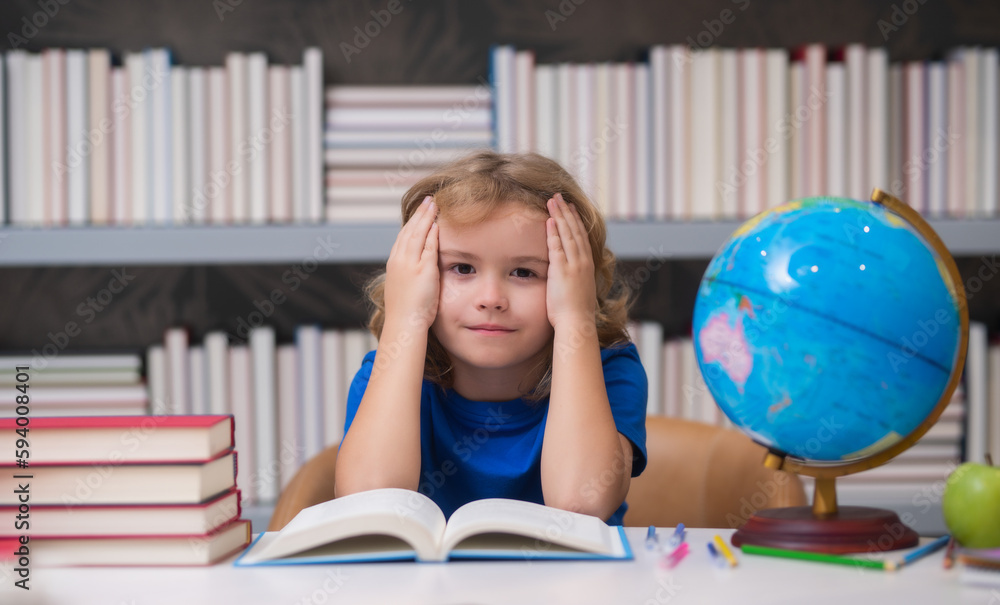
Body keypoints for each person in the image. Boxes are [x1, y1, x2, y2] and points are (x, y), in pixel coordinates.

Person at [334, 151, 647, 525]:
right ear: (415, 276)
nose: (491, 300)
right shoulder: (386, 374)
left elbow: (579, 503)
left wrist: (573, 317)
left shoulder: (612, 370)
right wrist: (405, 318)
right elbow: (371, 504)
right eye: (462, 268)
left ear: (575, 282)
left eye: (524, 272)